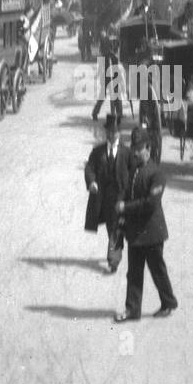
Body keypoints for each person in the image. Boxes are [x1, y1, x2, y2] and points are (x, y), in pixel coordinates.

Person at [113, 128, 178, 322]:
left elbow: (151, 204)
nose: (135, 152)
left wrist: (125, 207)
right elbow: (126, 190)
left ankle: (168, 302)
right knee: (133, 273)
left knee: (157, 270)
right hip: (135, 232)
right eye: (134, 148)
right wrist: (120, 202)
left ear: (148, 149)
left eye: (139, 149)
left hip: (152, 233)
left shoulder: (157, 174)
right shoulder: (134, 170)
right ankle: (132, 310)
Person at [84, 114, 127, 273]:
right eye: (109, 132)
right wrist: (92, 182)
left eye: (114, 132)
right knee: (112, 227)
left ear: (119, 133)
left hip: (121, 197)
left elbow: (134, 171)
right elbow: (89, 168)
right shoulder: (97, 152)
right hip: (104, 199)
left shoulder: (126, 152)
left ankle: (114, 258)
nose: (112, 135)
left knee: (117, 228)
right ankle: (114, 255)